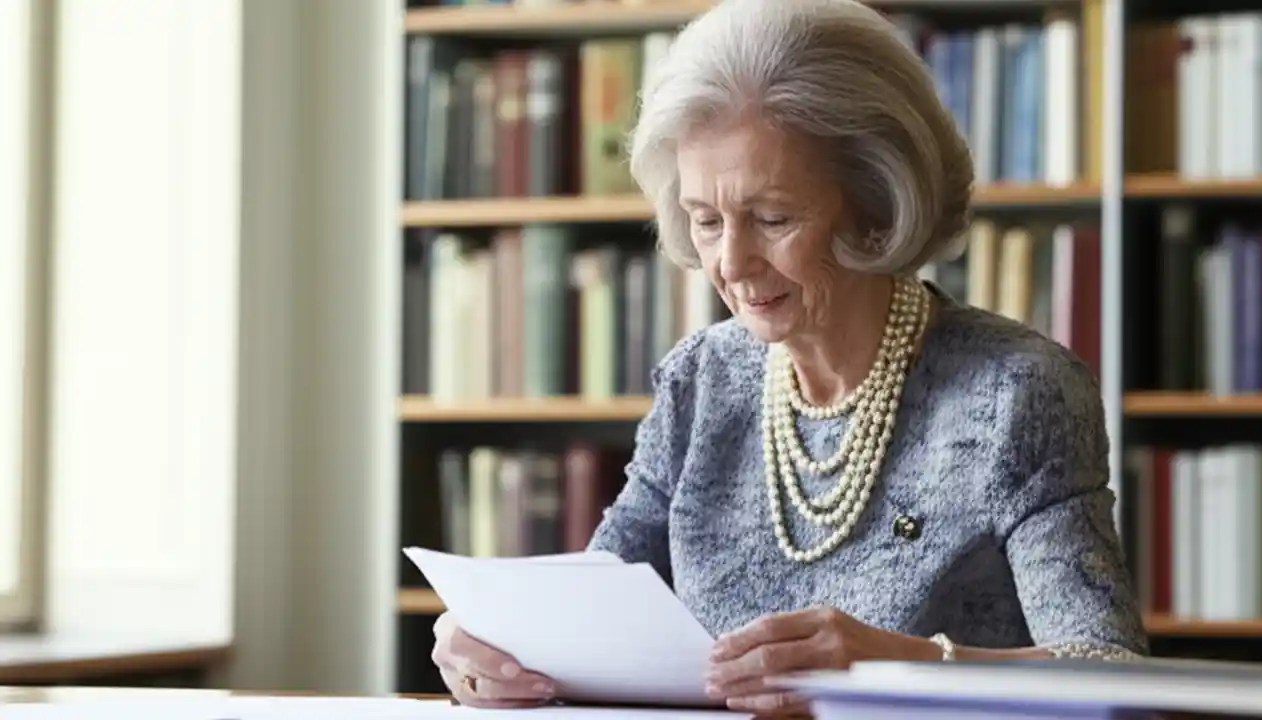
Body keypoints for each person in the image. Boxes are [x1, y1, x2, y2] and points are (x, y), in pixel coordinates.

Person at [430, 0, 1147, 714]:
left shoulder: (1014, 393)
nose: (731, 263)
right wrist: (494, 647)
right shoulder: (702, 381)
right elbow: (588, 611)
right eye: (706, 221)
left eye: (772, 218)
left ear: (875, 204)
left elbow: (1111, 674)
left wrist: (902, 666)